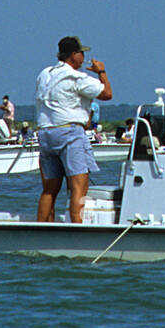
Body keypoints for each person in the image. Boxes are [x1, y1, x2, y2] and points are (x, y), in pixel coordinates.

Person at [34, 36, 111, 223]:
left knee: (49, 189)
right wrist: (101, 72)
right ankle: (77, 226)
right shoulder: (77, 77)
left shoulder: (45, 73)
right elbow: (107, 94)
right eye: (82, 53)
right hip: (69, 132)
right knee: (79, 186)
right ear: (73, 55)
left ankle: (42, 229)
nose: (84, 57)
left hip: (45, 133)